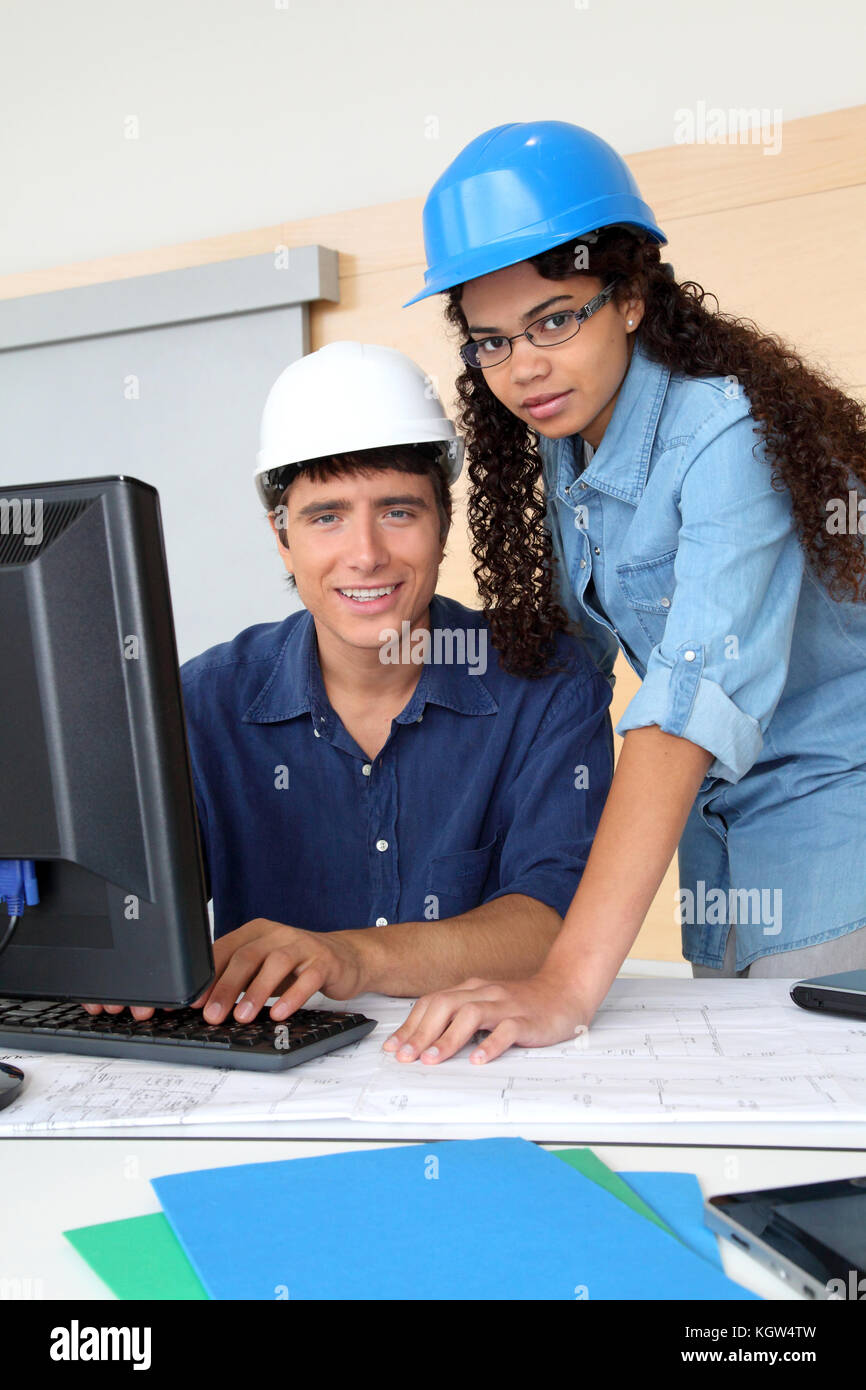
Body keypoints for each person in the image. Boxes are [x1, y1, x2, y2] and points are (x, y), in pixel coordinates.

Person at [385, 119, 866, 1067]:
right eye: (490, 342)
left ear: (633, 296)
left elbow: (685, 708)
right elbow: (561, 669)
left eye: (555, 319)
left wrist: (565, 981)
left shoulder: (726, 437)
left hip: (840, 852)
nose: (522, 369)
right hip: (727, 867)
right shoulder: (575, 448)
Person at [83, 341, 613, 1026]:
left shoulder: (544, 685)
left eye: (398, 511)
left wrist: (351, 958)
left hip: (479, 1069)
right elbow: (138, 910)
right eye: (326, 516)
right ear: (282, 537)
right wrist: (116, 953)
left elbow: (553, 922)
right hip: (268, 1078)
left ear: (443, 527)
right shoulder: (201, 704)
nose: (365, 555)